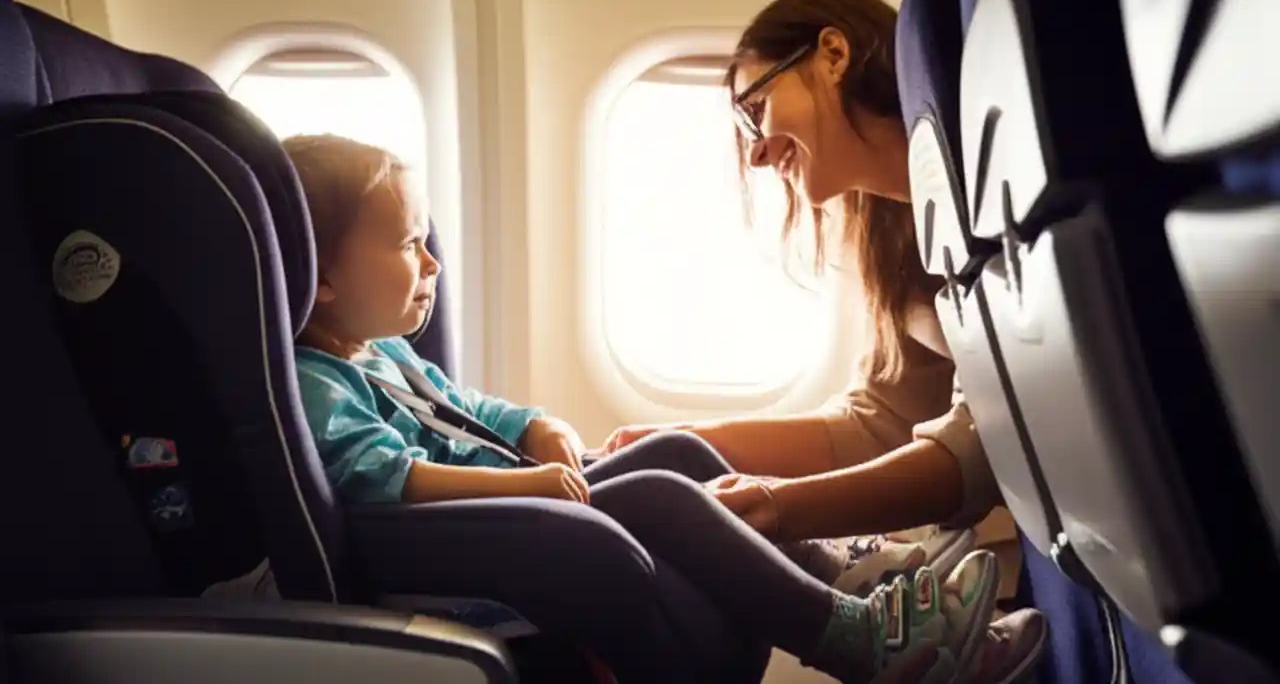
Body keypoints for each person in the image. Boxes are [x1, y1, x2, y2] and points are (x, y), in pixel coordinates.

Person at [283, 133, 1038, 683]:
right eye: (407, 245)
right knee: (657, 496)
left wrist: (537, 428)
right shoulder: (318, 385)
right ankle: (866, 645)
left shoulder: (387, 354)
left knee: (680, 453)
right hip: (477, 543)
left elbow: (472, 409)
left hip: (516, 501)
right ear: (322, 279)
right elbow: (391, 479)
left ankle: (850, 581)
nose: (432, 263)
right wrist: (524, 484)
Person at [597, 0, 1020, 581]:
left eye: (755, 109)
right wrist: (689, 439)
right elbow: (878, 421)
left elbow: (982, 445)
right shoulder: (887, 231)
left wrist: (779, 508)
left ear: (833, 56)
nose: (755, 156)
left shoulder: (982, 187)